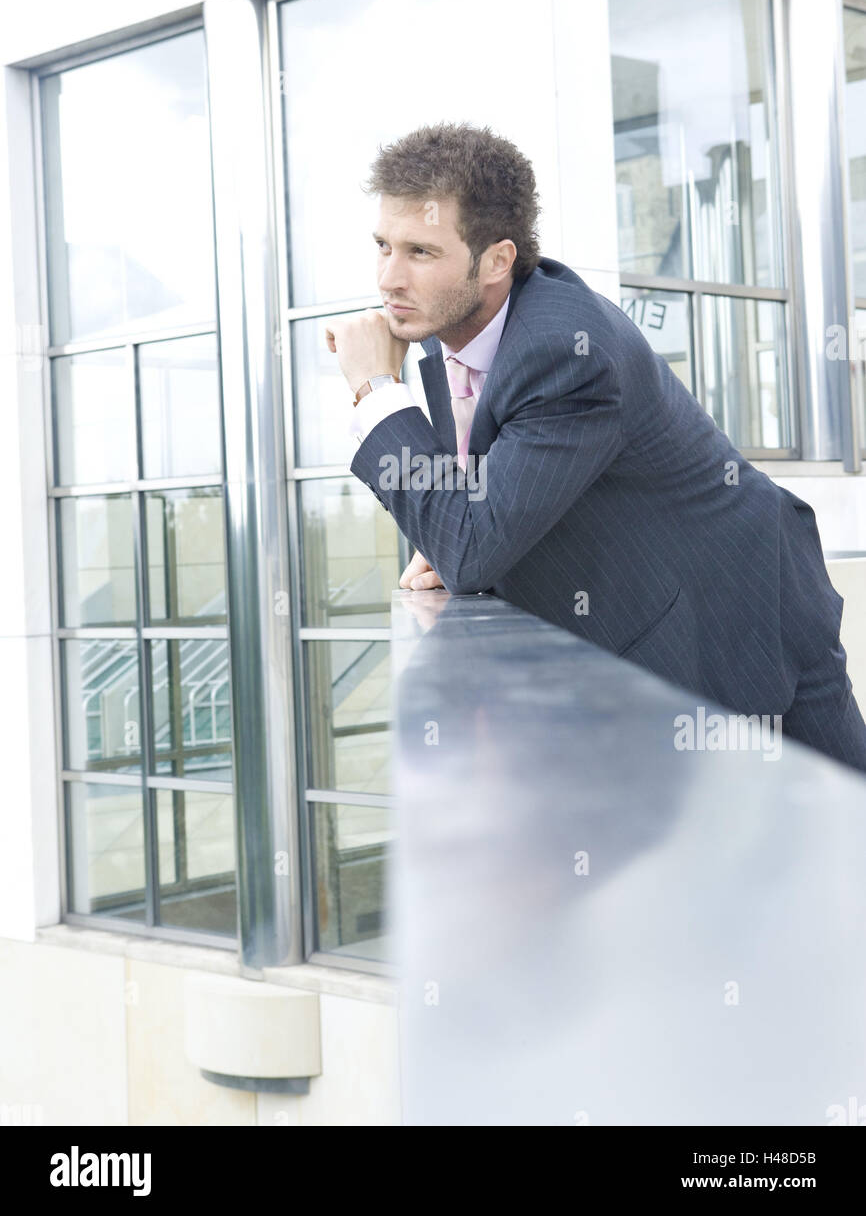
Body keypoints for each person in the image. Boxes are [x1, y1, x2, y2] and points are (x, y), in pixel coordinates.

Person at [324, 121, 866, 772]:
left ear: (496, 260)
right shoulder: (445, 339)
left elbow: (469, 548)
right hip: (639, 613)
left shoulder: (564, 350)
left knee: (835, 833)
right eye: (383, 246)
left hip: (740, 609)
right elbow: (488, 507)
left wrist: (376, 390)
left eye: (419, 252)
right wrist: (450, 528)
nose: (388, 279)